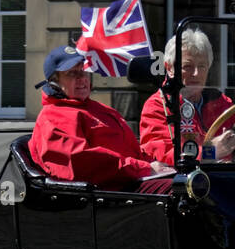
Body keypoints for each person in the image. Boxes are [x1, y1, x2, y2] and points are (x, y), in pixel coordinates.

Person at [29, 46, 173, 192]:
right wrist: (145, 168)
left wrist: (158, 165)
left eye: (83, 71)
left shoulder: (99, 109)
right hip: (108, 192)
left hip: (132, 179)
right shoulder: (53, 117)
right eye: (72, 73)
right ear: (54, 82)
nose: (82, 78)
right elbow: (82, 162)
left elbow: (133, 150)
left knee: (188, 181)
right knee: (182, 192)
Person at [138, 29, 235, 166]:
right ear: (169, 68)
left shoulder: (220, 103)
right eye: (187, 66)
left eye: (202, 66)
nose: (196, 74)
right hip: (190, 184)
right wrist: (211, 151)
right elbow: (162, 155)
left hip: (227, 179)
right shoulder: (158, 106)